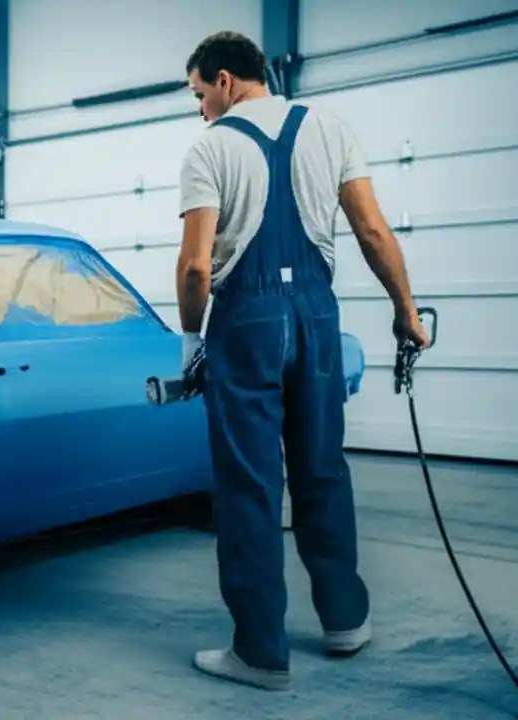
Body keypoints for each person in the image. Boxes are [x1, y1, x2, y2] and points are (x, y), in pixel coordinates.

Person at [174, 31, 431, 691]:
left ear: (225, 81)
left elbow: (197, 266)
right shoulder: (329, 126)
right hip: (316, 318)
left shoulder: (210, 146)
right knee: (322, 469)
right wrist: (406, 311)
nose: (200, 109)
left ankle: (260, 653)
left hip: (245, 323)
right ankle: (345, 620)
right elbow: (372, 230)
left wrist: (191, 340)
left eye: (200, 94)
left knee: (249, 486)